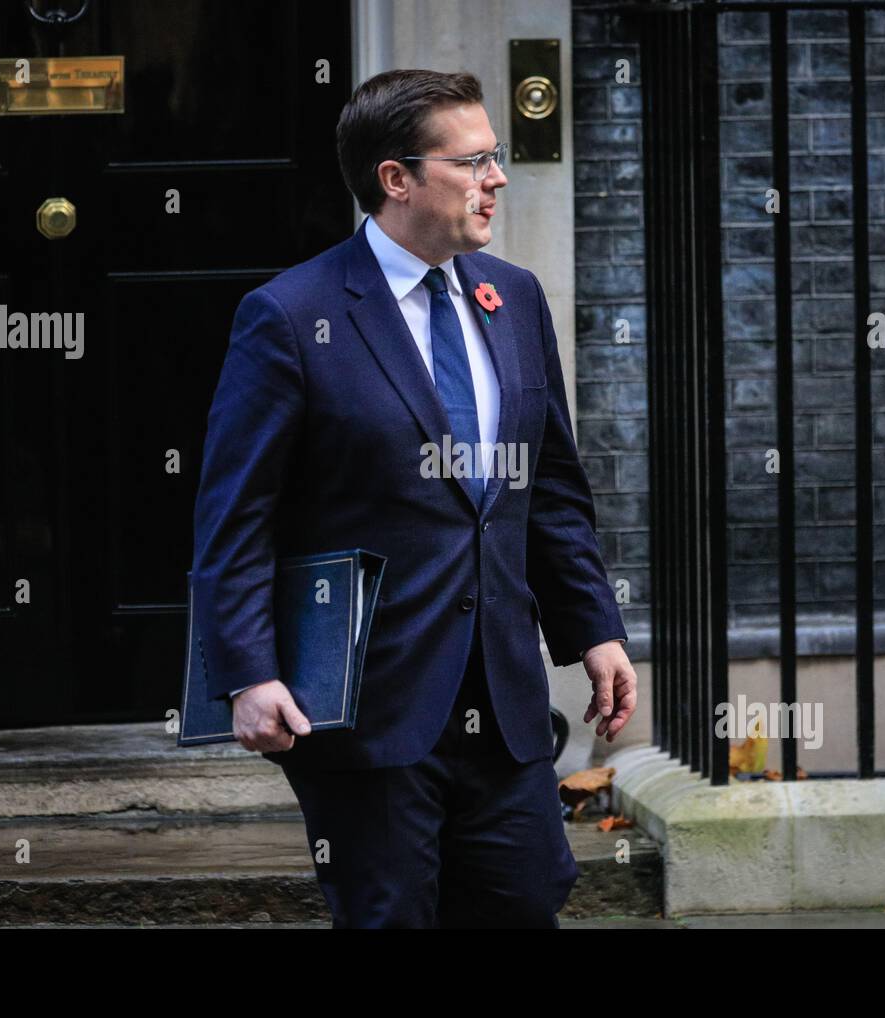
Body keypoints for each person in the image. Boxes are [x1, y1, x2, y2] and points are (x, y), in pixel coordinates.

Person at [191, 68, 638, 928]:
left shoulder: (513, 299)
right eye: (473, 162)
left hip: (504, 704)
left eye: (497, 157)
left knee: (525, 902)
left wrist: (594, 628)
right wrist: (246, 673)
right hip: (368, 709)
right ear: (396, 180)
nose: (496, 179)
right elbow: (235, 516)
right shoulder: (291, 315)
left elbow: (546, 490)